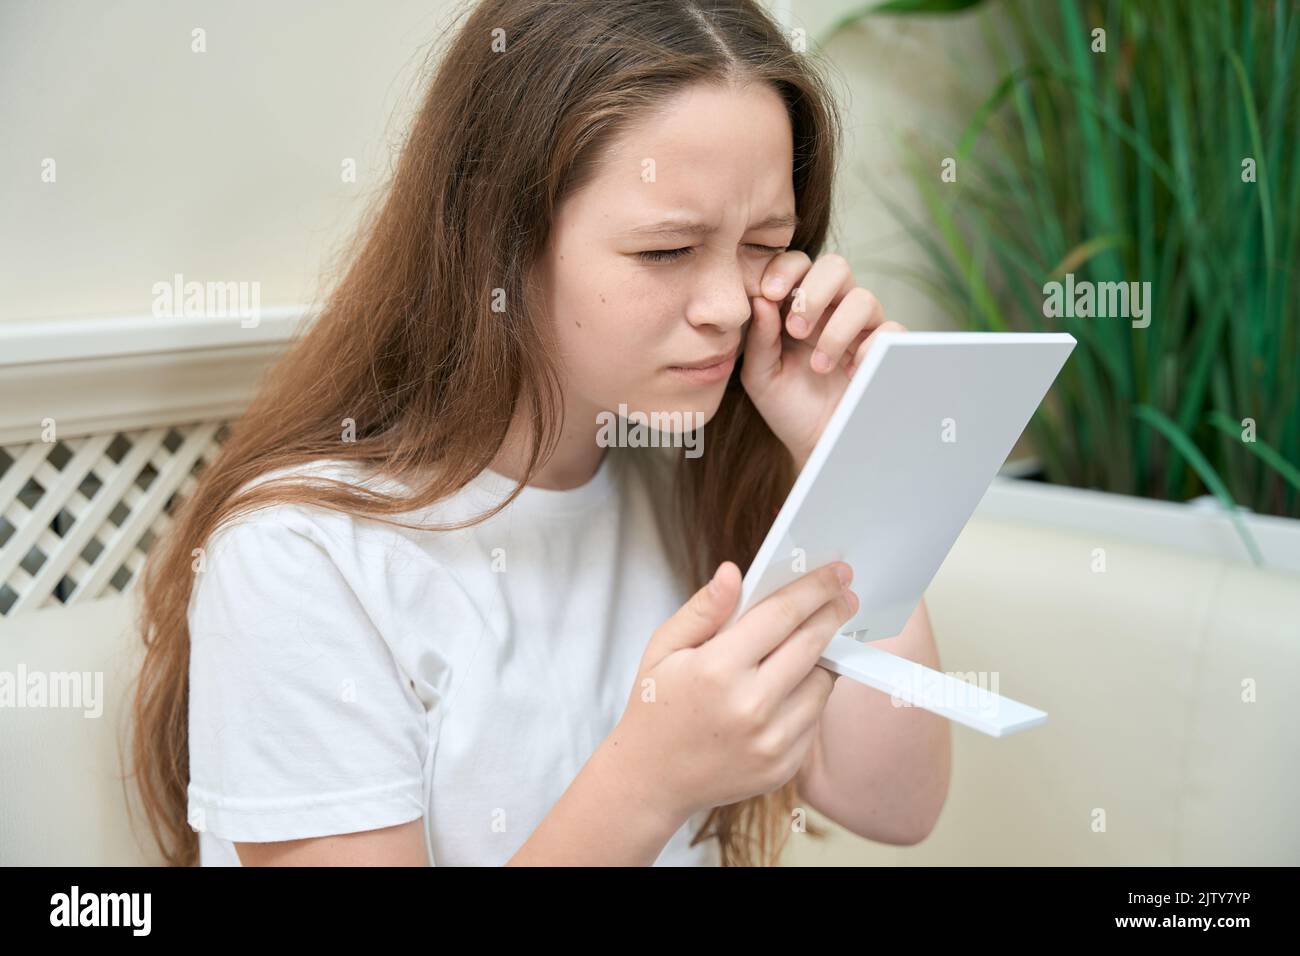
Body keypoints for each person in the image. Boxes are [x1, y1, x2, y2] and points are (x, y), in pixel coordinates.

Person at [130, 0, 950, 867]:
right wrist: (648, 782)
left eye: (763, 245)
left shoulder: (686, 477)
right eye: (666, 252)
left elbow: (892, 801)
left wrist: (846, 451)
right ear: (497, 243)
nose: (726, 308)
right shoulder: (301, 558)